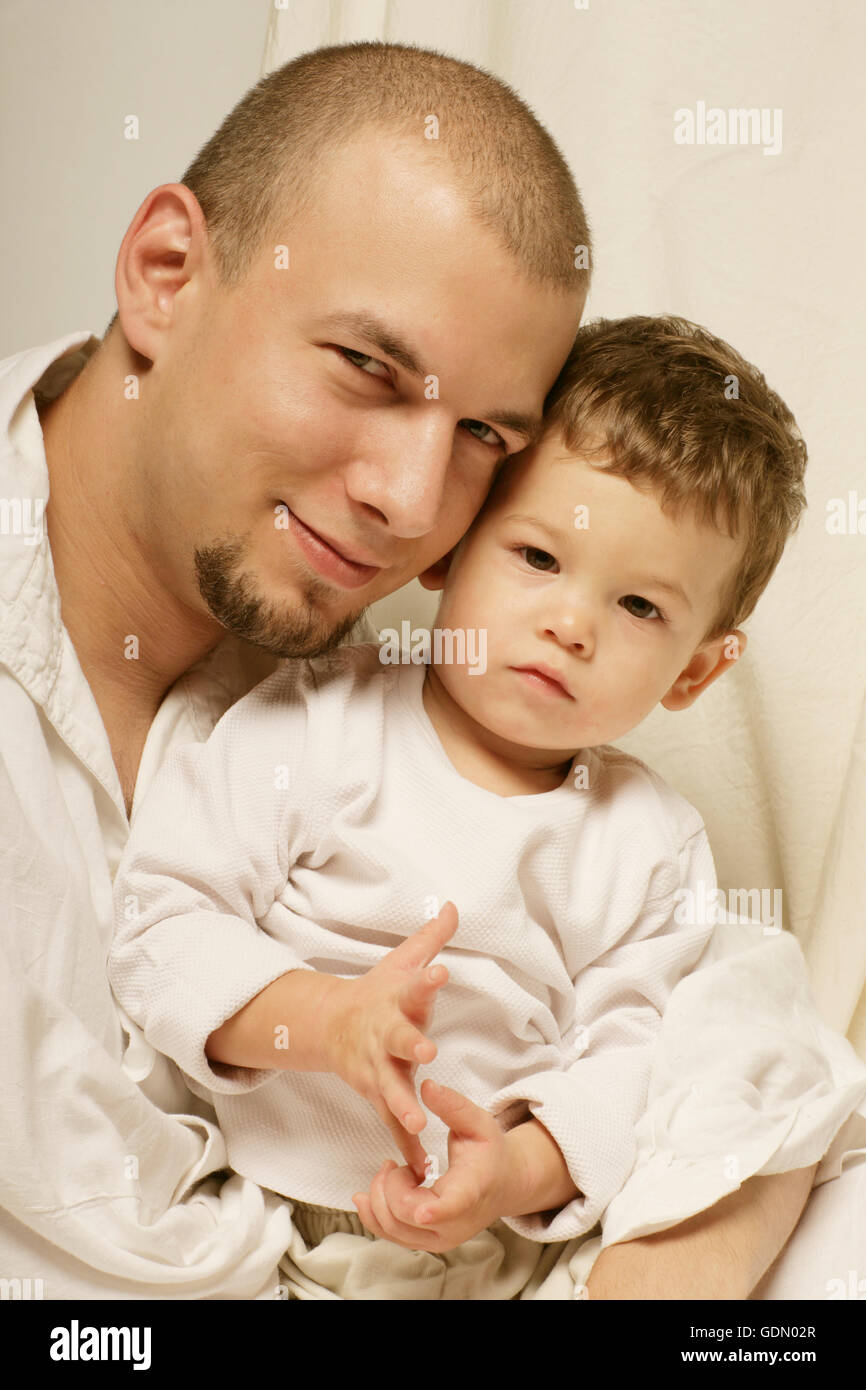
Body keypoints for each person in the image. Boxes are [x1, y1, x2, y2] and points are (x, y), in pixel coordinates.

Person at [0, 37, 854, 1300]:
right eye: (365, 368)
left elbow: (733, 1044)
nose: (407, 507)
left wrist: (635, 1247)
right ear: (166, 273)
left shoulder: (379, 665)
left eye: (481, 437)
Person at [108, 315, 866, 1300]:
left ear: (695, 670)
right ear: (448, 545)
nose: (568, 624)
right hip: (252, 1211)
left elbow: (624, 1065)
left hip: (492, 1253)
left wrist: (512, 1168)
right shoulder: (318, 722)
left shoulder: (642, 843)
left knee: (782, 1074)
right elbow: (161, 925)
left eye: (638, 608)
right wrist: (326, 1019)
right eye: (538, 560)